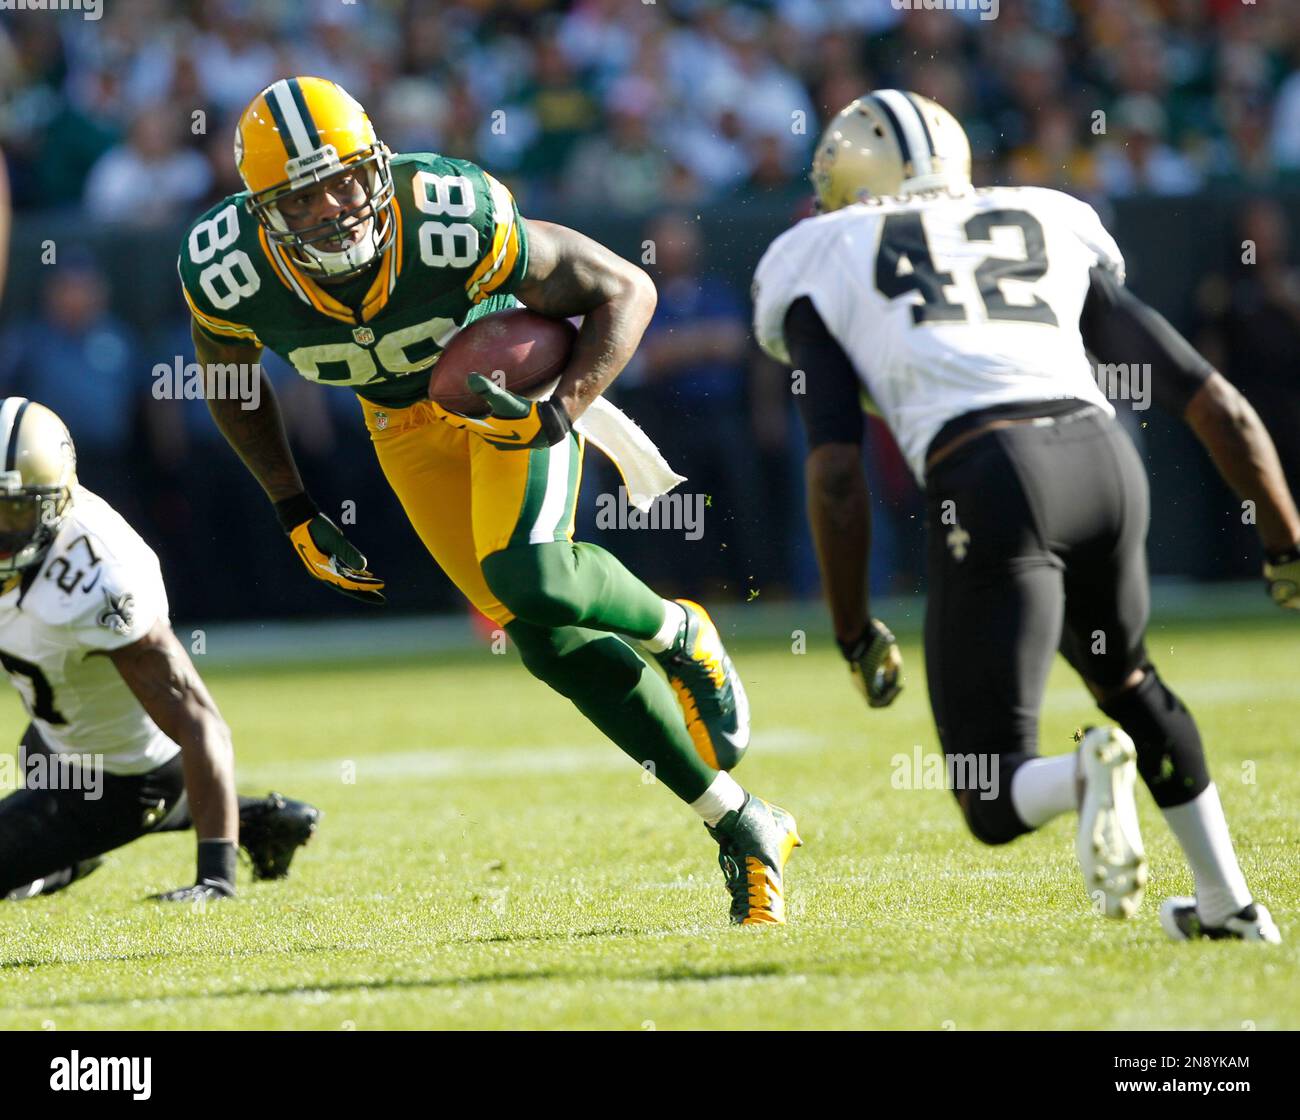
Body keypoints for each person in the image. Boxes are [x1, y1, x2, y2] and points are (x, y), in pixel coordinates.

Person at [177, 78, 798, 925]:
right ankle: (742, 822)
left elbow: (627, 290)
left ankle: (679, 628)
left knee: (533, 578)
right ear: (261, 210)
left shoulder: (448, 212)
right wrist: (290, 503)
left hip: (503, 394)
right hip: (399, 426)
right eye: (304, 195)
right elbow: (228, 381)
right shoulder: (228, 271)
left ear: (377, 163)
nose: (337, 207)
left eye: (348, 178)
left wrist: (561, 410)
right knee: (542, 642)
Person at [753, 90, 1296, 942]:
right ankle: (1229, 907)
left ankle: (1086, 774)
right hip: (1106, 460)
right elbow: (1215, 403)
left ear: (852, 184)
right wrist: (1285, 540)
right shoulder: (1043, 217)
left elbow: (833, 472)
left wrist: (854, 629)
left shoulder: (821, 252)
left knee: (990, 792)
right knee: (1131, 681)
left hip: (991, 473)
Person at [0, 398, 320, 902]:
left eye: (11, 513)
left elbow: (199, 719)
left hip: (120, 782)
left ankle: (69, 856)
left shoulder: (96, 582)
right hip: (52, 744)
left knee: (52, 831)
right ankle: (257, 820)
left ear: (52, 504)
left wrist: (215, 878)